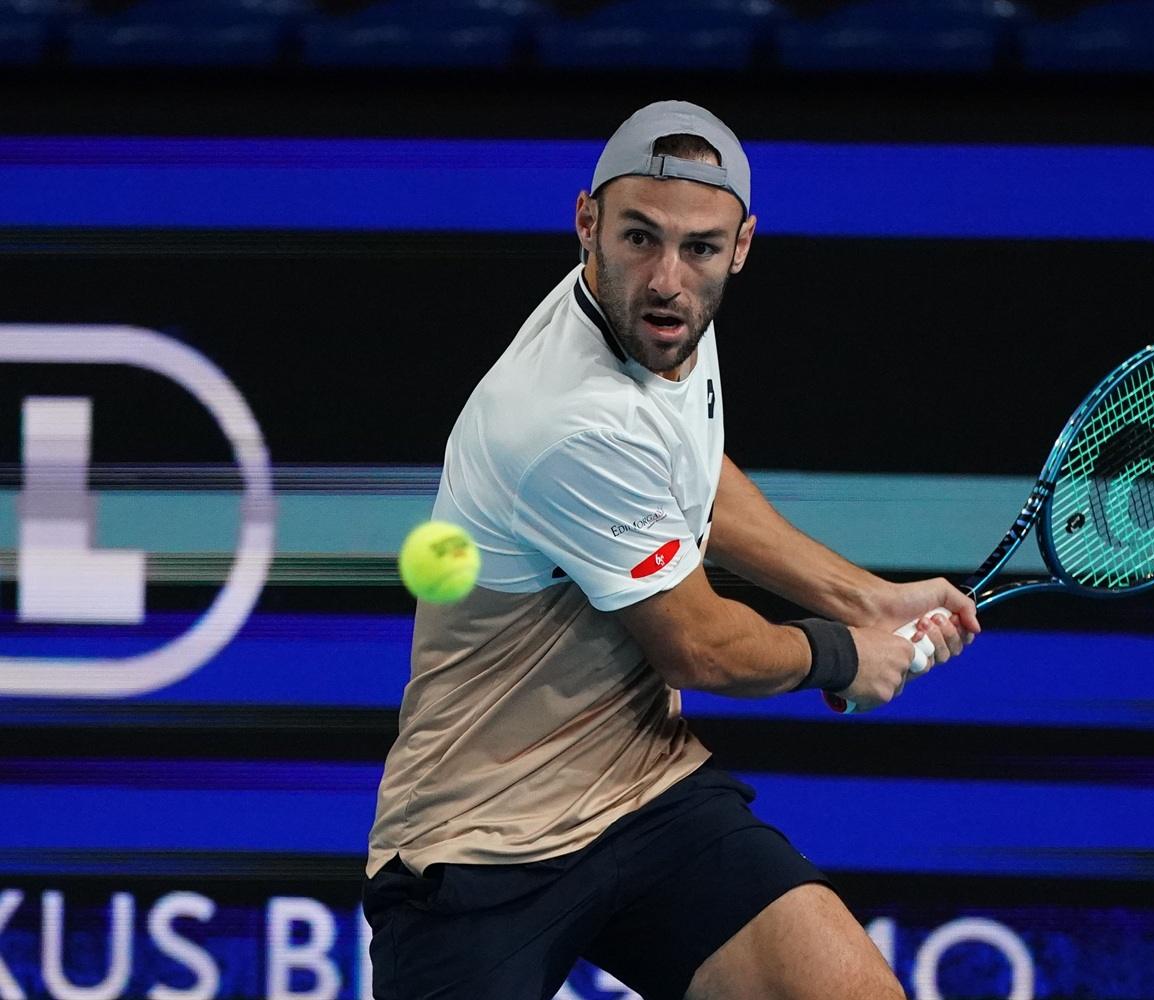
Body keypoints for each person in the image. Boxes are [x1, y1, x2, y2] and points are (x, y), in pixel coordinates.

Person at [363, 100, 982, 1000]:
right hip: (482, 845)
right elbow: (700, 645)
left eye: (698, 247)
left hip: (647, 791)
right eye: (639, 238)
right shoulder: (565, 421)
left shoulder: (668, 326)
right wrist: (848, 656)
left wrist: (864, 597)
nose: (665, 278)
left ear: (740, 247)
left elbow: (690, 475)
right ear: (588, 224)